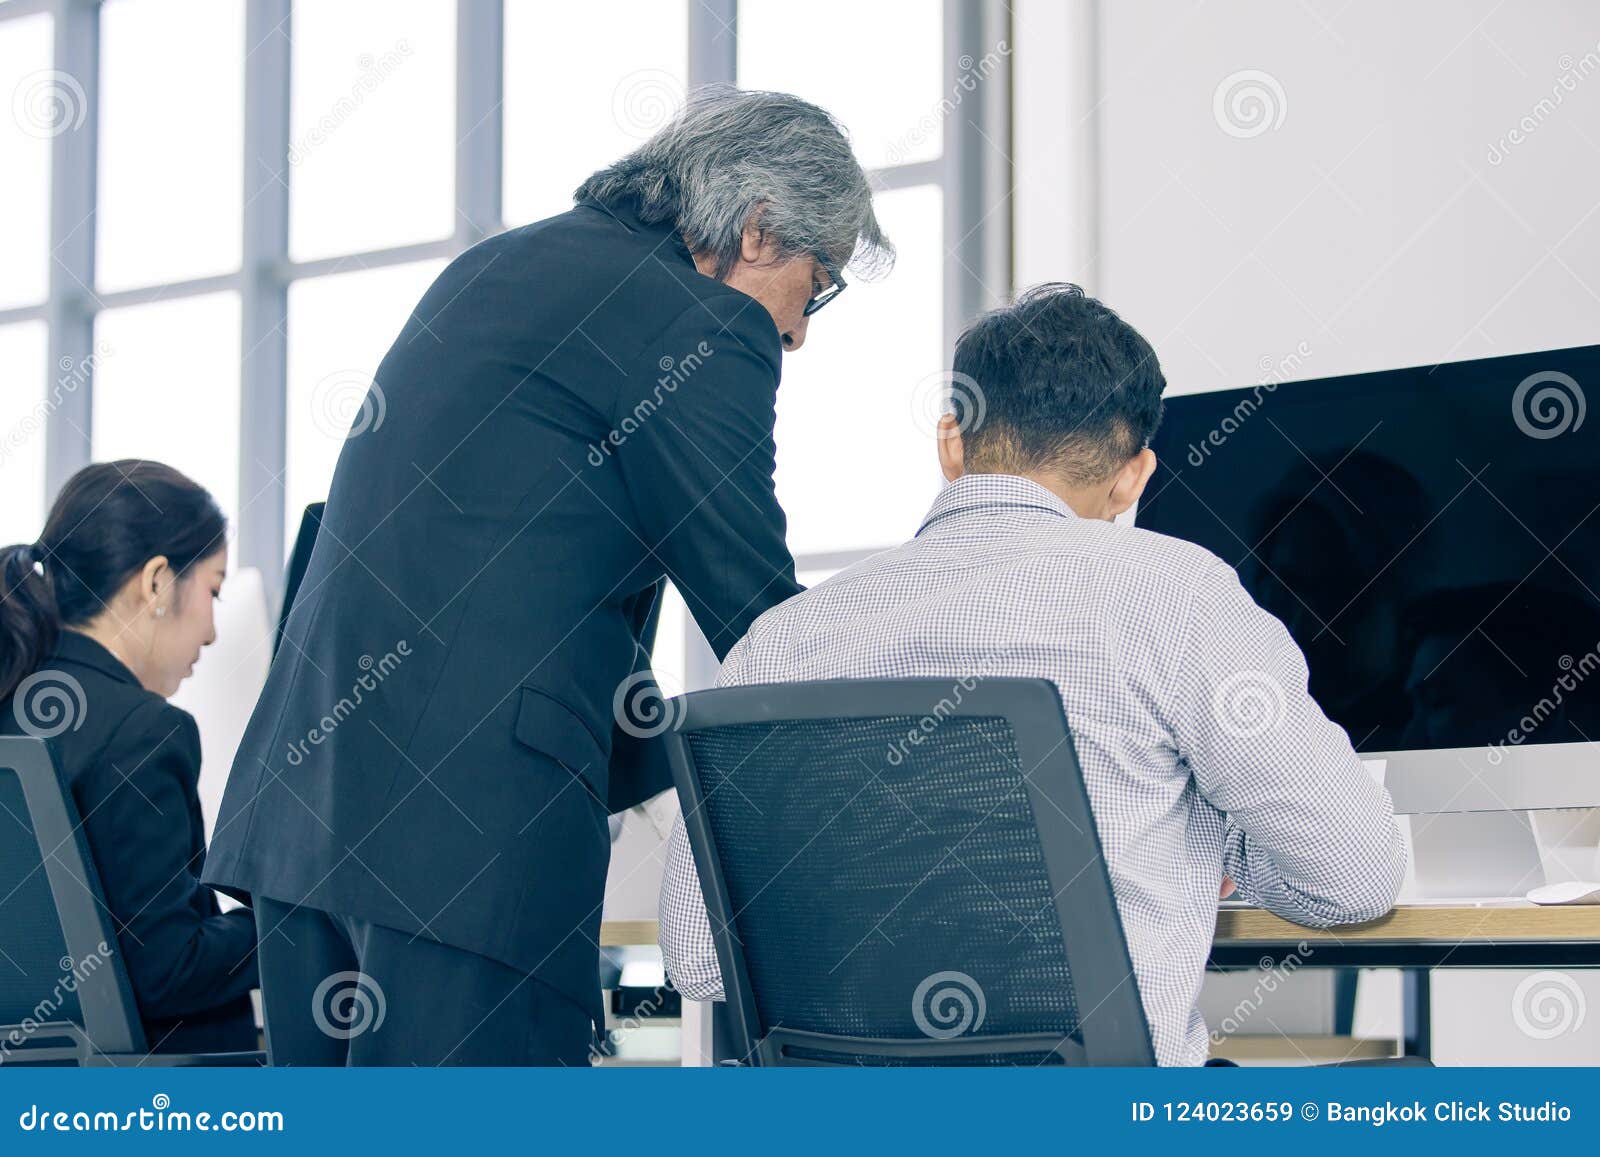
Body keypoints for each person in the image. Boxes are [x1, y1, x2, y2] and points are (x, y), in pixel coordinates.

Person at [203, 86, 892, 1065]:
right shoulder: (700, 322)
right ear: (758, 229)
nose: (799, 331)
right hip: (462, 850)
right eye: (816, 286)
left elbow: (501, 550)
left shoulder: (503, 265)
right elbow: (755, 610)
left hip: (309, 816)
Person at [658, 284, 1407, 1066]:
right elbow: (1353, 878)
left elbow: (698, 956)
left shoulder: (781, 640)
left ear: (951, 443)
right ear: (1132, 477)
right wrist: (1209, 831)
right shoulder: (1177, 593)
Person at [0, 460, 256, 1054]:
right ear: (158, 582)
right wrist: (292, 925)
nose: (214, 631)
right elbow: (168, 970)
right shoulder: (143, 732)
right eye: (212, 591)